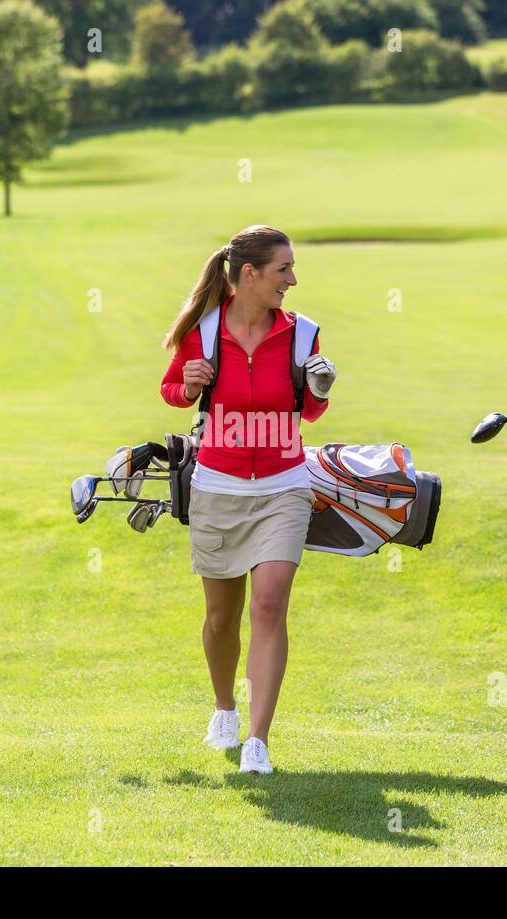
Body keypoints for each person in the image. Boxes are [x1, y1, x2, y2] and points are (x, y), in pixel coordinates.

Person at [159, 225, 336, 774]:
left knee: (269, 604)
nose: (292, 279)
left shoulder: (303, 335)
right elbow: (172, 391)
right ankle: (224, 708)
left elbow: (308, 413)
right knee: (221, 616)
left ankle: (258, 741)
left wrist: (320, 390)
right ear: (249, 275)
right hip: (218, 485)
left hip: (284, 484)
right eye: (283, 269)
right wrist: (188, 385)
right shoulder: (205, 331)